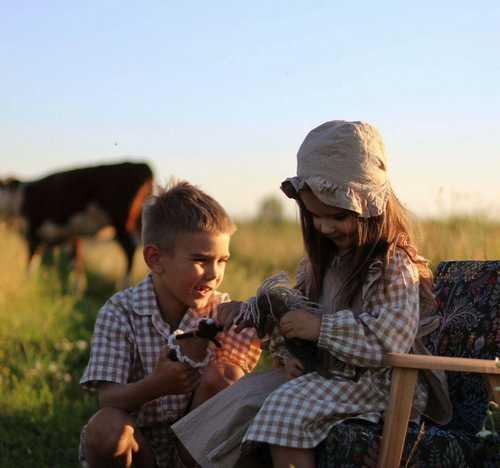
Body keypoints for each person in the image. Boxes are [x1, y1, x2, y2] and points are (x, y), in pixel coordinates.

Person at [172, 120, 452, 468]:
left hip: (384, 385)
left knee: (287, 407)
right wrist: (288, 348)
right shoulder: (322, 263)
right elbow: (295, 316)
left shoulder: (395, 265)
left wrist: (320, 329)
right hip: (329, 374)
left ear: (371, 206)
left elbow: (391, 341)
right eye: (314, 216)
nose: (324, 227)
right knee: (238, 401)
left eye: (336, 216)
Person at [79, 180, 262, 468]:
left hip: (194, 450)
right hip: (137, 447)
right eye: (201, 260)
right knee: (105, 429)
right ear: (155, 259)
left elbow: (240, 379)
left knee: (228, 373)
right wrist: (156, 385)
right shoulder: (120, 311)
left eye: (222, 260)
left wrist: (253, 315)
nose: (214, 274)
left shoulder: (222, 311)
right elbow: (108, 399)